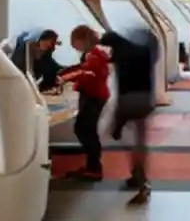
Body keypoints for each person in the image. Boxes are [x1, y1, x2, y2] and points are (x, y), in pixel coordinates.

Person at [100, 25, 159, 205]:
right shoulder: (145, 51)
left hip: (128, 100)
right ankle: (140, 178)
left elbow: (108, 48)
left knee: (127, 140)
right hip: (146, 99)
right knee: (140, 140)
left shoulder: (121, 52)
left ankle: (140, 179)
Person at [60, 25, 110, 181]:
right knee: (86, 129)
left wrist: (65, 78)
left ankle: (94, 167)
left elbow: (86, 72)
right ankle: (92, 165)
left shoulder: (94, 56)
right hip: (94, 94)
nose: (72, 45)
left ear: (82, 40)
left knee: (84, 129)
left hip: (93, 96)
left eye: (74, 41)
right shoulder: (94, 54)